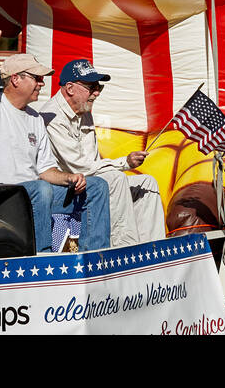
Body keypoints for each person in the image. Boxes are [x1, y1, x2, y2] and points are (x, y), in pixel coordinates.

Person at [0, 23, 110, 252]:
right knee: (40, 189)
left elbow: (46, 171)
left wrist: (71, 178)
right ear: (15, 79)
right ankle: (42, 257)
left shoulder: (35, 118)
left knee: (97, 186)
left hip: (33, 196)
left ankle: (95, 255)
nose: (42, 83)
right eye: (37, 78)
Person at [45, 58, 166, 247]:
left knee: (146, 183)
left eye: (99, 87)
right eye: (92, 87)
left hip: (87, 181)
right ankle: (123, 249)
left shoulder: (84, 110)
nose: (96, 93)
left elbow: (91, 162)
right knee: (115, 179)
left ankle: (153, 249)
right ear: (70, 88)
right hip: (65, 186)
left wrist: (124, 163)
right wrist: (124, 163)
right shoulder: (53, 117)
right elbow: (80, 167)